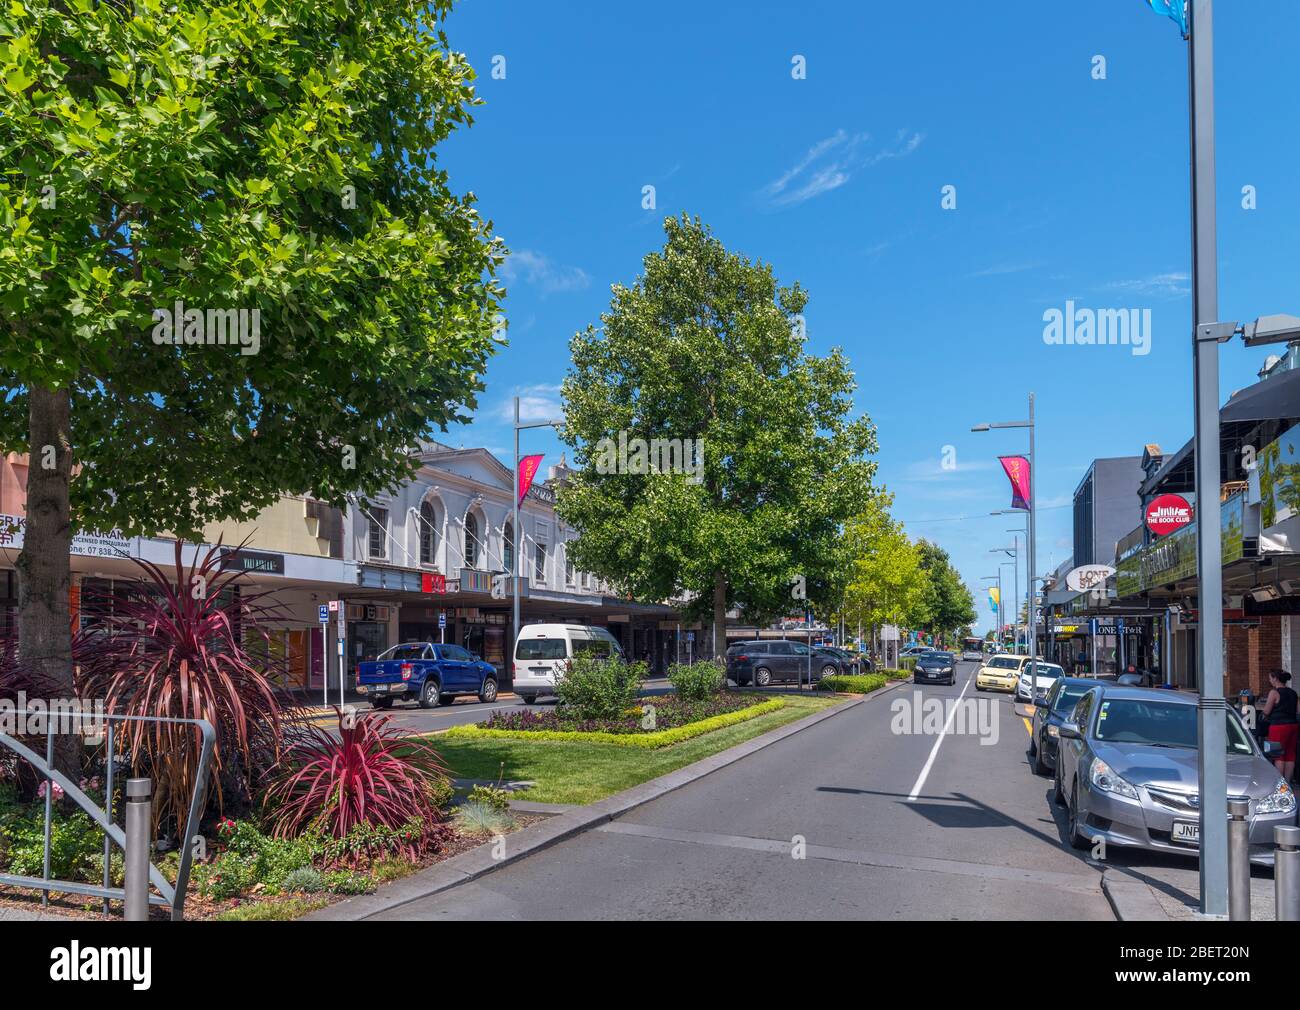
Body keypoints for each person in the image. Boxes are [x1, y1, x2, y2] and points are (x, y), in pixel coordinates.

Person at [1260, 669, 1298, 781]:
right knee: (1290, 755)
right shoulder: (1293, 692)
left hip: (1279, 726)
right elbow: (1298, 710)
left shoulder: (1274, 692)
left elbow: (1267, 711)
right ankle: (1288, 784)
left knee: (1278, 755)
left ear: (1275, 678)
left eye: (1270, 678)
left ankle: (1279, 783)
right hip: (1293, 726)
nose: (1269, 680)